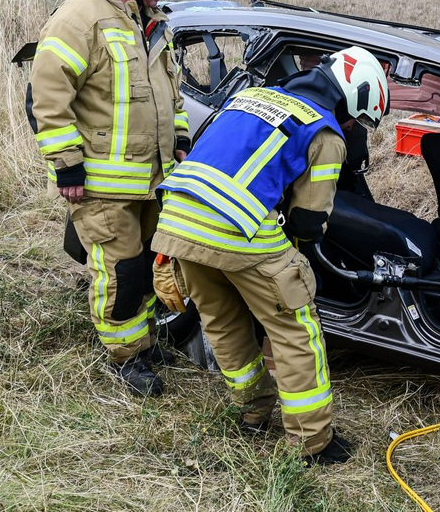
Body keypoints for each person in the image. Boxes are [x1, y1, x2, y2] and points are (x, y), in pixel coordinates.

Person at [151, 46, 390, 465]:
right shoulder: (326, 133)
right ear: (351, 97)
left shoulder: (252, 96)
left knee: (222, 321)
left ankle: (251, 412)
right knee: (297, 331)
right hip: (237, 225)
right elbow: (308, 223)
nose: (352, 127)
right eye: (357, 119)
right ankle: (313, 443)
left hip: (177, 219)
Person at [27, 0, 201, 396]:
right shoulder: (80, 17)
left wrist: (180, 138)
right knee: (121, 272)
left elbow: (172, 95)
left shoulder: (149, 23)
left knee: (142, 266)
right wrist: (67, 166)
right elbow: (46, 97)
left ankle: (141, 342)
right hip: (101, 185)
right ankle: (124, 357)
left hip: (151, 180)